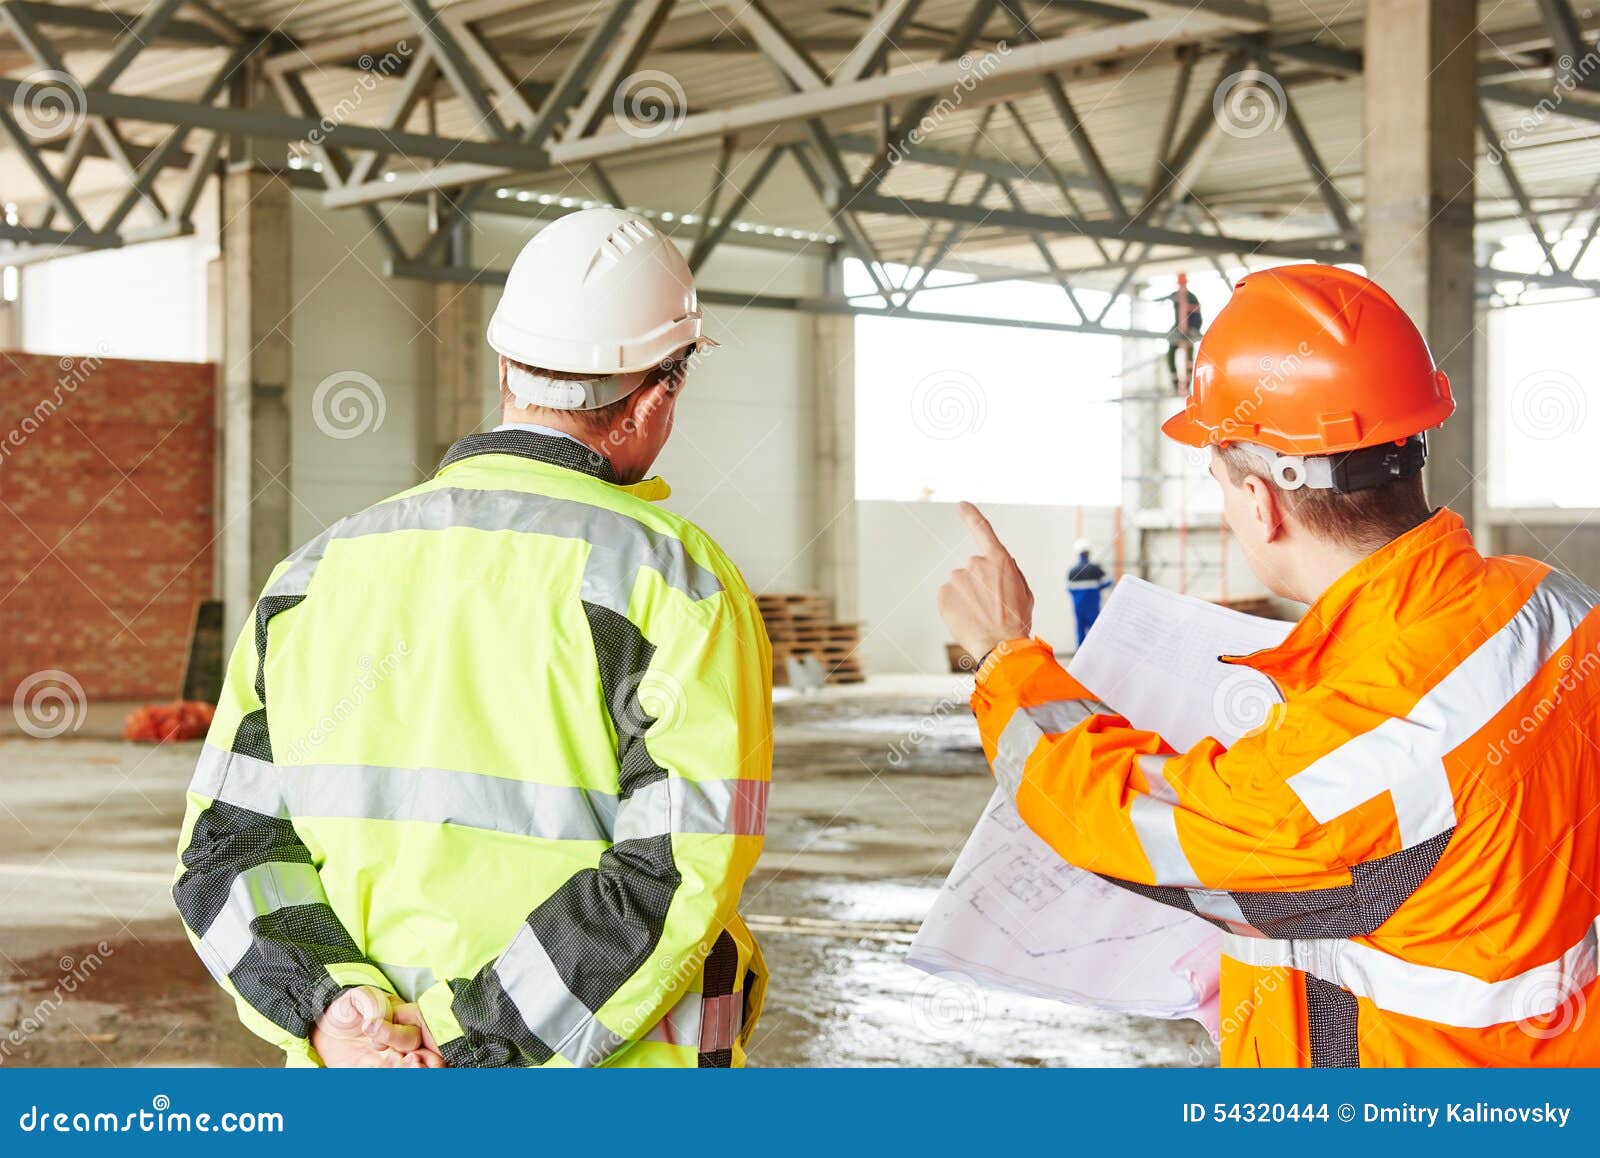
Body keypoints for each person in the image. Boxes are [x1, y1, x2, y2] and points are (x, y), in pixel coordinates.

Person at [937, 264, 1600, 1067]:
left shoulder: (1349, 753)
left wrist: (1004, 655)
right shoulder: (1559, 609)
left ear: (1261, 501)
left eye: (1219, 483)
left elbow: (1126, 815)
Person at [174, 207, 772, 1068]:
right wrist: (467, 1043)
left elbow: (227, 847)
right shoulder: (674, 581)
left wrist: (334, 1011)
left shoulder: (311, 575)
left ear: (505, 368)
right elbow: (676, 865)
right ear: (655, 397)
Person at [1065, 537, 1111, 646]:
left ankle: (1080, 654)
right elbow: (1107, 582)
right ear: (1088, 553)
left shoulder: (1072, 571)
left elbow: (1069, 589)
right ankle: (1096, 653)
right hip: (1092, 606)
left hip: (1078, 606)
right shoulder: (1095, 569)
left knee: (1080, 630)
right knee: (1095, 631)